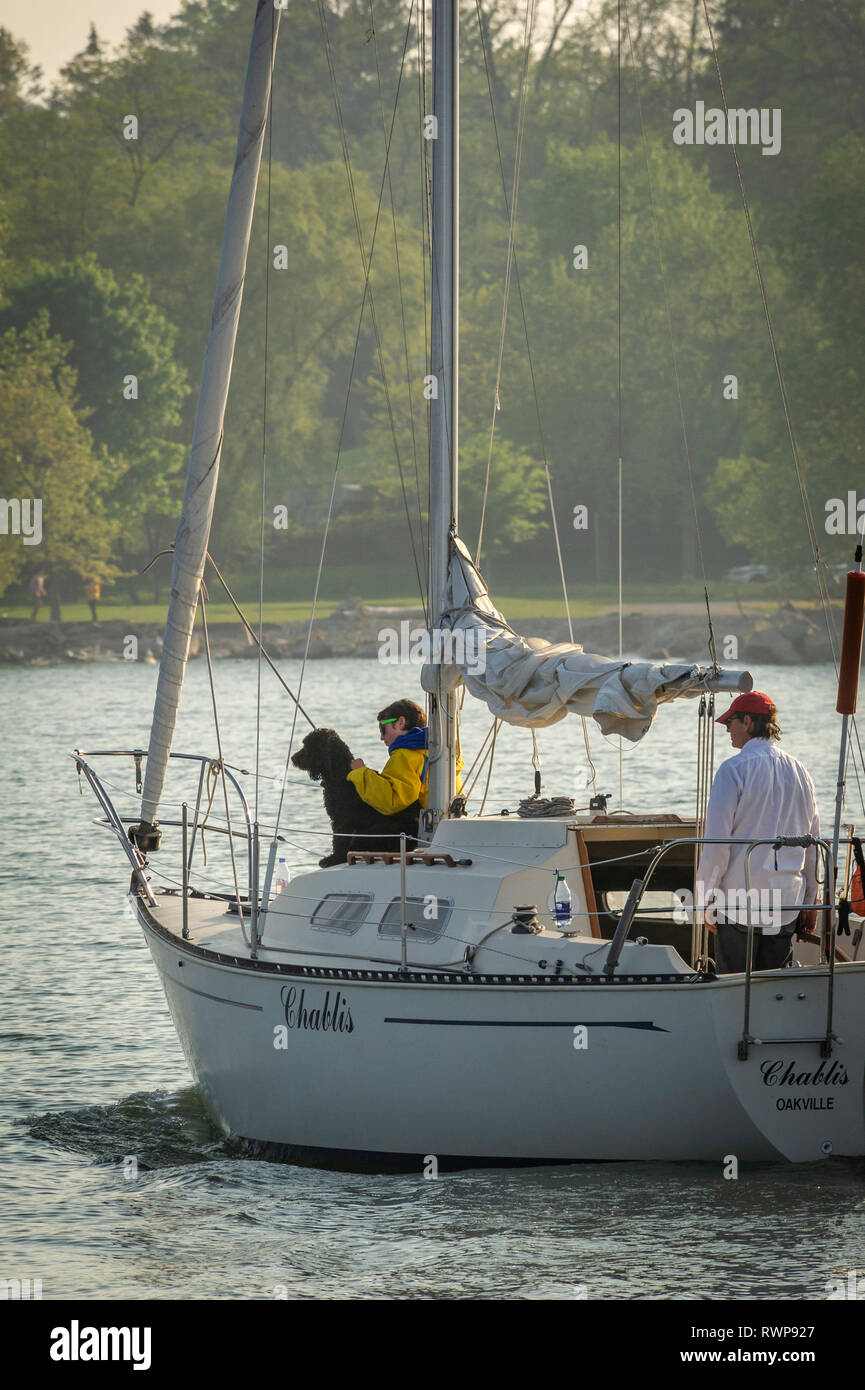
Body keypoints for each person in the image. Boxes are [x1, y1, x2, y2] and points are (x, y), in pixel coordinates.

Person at [696, 691, 820, 974]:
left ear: (748, 722)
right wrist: (812, 901)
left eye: (731, 722)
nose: (727, 728)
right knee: (775, 989)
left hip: (740, 903)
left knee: (733, 986)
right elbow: (813, 845)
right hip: (786, 902)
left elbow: (717, 845)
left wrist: (705, 899)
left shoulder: (733, 770)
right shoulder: (802, 772)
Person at [348, 699, 431, 819]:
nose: (382, 737)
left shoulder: (405, 755)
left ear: (400, 723)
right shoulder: (440, 750)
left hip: (432, 829)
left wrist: (360, 773)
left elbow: (391, 800)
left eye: (383, 728)